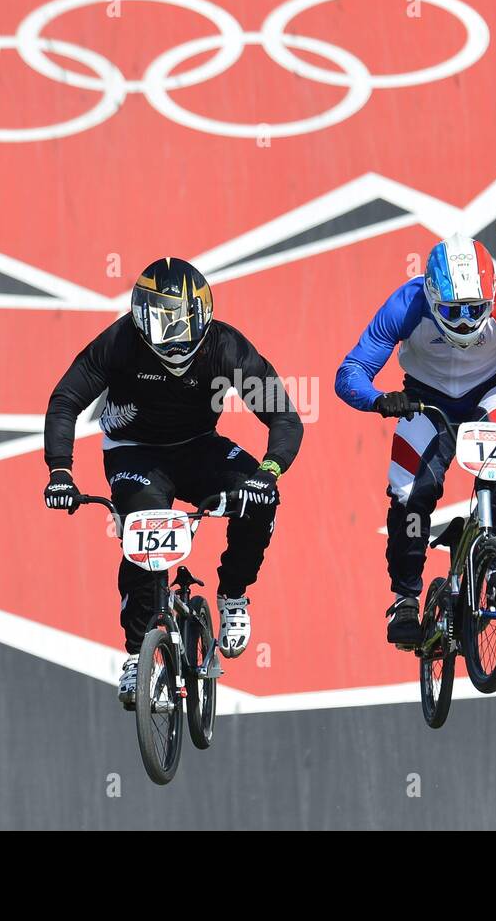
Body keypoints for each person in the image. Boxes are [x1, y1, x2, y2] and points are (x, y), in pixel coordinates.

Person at [43, 257, 302, 707]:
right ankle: (136, 655)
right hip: (134, 452)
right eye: (165, 333)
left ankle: (234, 594)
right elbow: (65, 400)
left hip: (200, 445)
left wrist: (268, 472)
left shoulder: (226, 347)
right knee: (147, 527)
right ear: (142, 323)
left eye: (186, 333)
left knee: (261, 500)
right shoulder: (120, 342)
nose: (178, 347)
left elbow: (283, 416)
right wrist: (60, 471)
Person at [334, 233, 496, 647]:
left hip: (495, 388)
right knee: (409, 493)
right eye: (453, 311)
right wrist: (380, 399)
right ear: (432, 296)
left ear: (490, 296)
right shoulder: (406, 303)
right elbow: (350, 373)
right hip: (424, 397)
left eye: (476, 309)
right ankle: (403, 598)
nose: (466, 320)